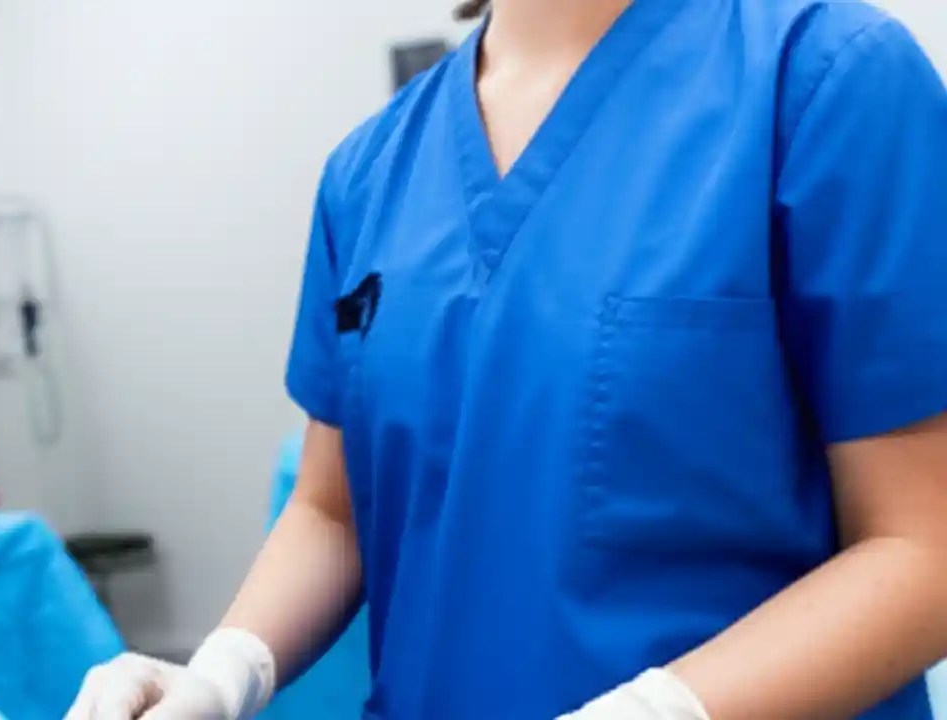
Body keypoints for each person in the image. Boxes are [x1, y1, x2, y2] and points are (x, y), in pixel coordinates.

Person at [66, 0, 947, 717]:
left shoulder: (824, 79)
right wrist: (223, 673)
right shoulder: (368, 170)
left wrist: (659, 711)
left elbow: (924, 546)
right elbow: (333, 510)